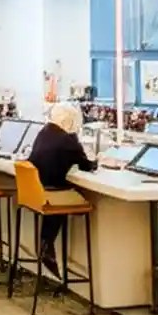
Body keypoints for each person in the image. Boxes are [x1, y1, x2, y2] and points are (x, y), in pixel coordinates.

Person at [26, 102, 97, 274]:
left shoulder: (43, 132)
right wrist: (101, 160)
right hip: (53, 195)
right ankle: (46, 245)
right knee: (72, 197)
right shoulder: (68, 140)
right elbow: (87, 165)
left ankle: (46, 243)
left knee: (59, 196)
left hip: (37, 192)